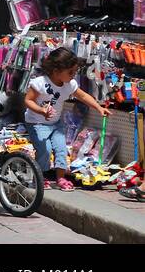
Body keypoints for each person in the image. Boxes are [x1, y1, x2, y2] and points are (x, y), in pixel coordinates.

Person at [24, 47, 109, 191]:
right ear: (56, 71)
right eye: (71, 72)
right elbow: (28, 100)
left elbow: (83, 96)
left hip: (56, 123)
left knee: (61, 149)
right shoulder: (39, 82)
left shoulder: (70, 85)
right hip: (37, 123)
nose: (73, 75)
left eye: (75, 72)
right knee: (45, 149)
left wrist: (99, 108)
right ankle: (40, 177)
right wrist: (41, 110)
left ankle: (60, 178)